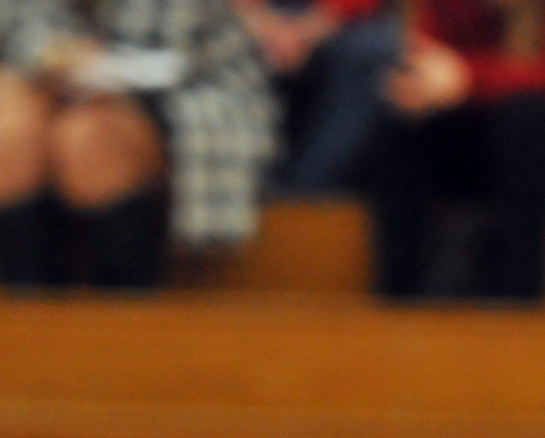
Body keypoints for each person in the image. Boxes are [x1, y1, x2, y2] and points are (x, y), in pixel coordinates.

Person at [361, 0, 545, 302]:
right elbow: (431, 58)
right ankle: (396, 298)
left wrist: (468, 77)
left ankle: (515, 302)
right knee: (403, 121)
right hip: (488, 149)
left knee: (525, 120)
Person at [0, 0, 273, 288]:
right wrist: (53, 56)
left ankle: (122, 316)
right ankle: (29, 316)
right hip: (62, 93)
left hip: (188, 99)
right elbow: (19, 31)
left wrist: (88, 68)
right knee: (12, 128)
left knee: (88, 138)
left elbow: (171, 59)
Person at [236, 0, 400, 193]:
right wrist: (260, 24)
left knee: (370, 53)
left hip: (336, 22)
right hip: (249, 19)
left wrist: (306, 29)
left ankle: (304, 195)